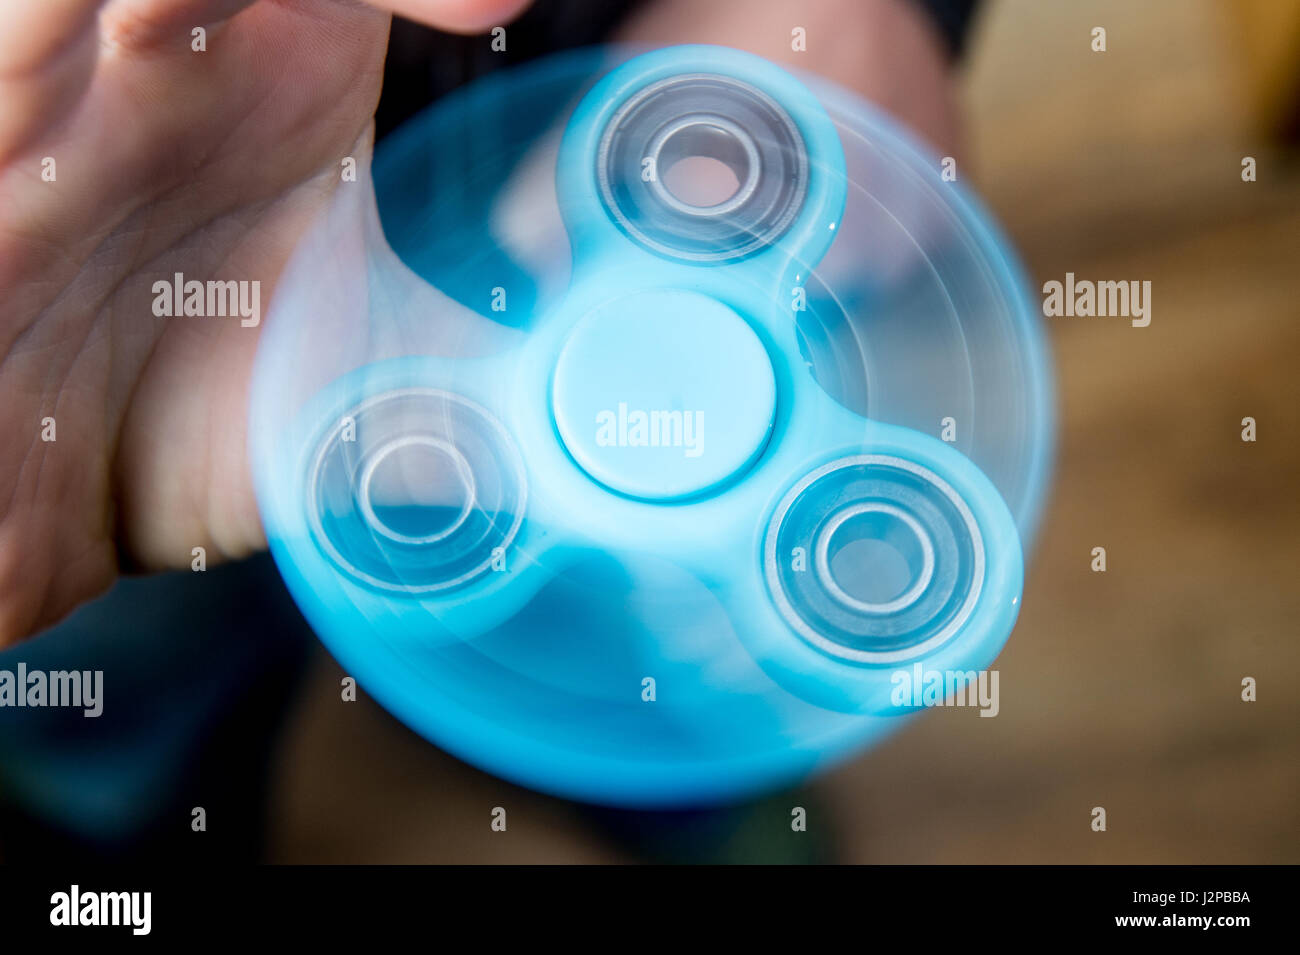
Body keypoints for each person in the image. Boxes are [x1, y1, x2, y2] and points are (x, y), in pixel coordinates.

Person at [0, 0, 976, 859]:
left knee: (600, 603)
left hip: (658, 156)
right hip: (105, 215)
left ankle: (627, 766)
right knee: (122, 697)